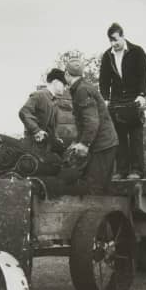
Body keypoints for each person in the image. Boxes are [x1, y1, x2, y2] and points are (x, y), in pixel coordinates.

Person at [98, 22, 146, 180]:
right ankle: (121, 170)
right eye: (111, 41)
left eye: (116, 39)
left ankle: (136, 170)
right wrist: (106, 98)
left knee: (135, 135)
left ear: (123, 36)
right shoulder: (108, 56)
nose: (114, 44)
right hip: (117, 101)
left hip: (134, 99)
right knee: (119, 136)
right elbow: (104, 79)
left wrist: (142, 95)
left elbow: (144, 74)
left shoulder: (137, 51)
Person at [64, 58, 119, 194]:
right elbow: (85, 122)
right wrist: (77, 141)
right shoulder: (82, 87)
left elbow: (92, 121)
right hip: (103, 144)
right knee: (100, 187)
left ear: (66, 74)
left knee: (93, 187)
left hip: (103, 145)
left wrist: (84, 144)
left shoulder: (82, 90)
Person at [18, 68, 67, 155]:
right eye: (64, 84)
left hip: (45, 147)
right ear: (55, 82)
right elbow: (24, 112)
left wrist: (56, 138)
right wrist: (36, 130)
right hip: (32, 145)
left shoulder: (54, 101)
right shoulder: (39, 95)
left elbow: (51, 127)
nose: (65, 87)